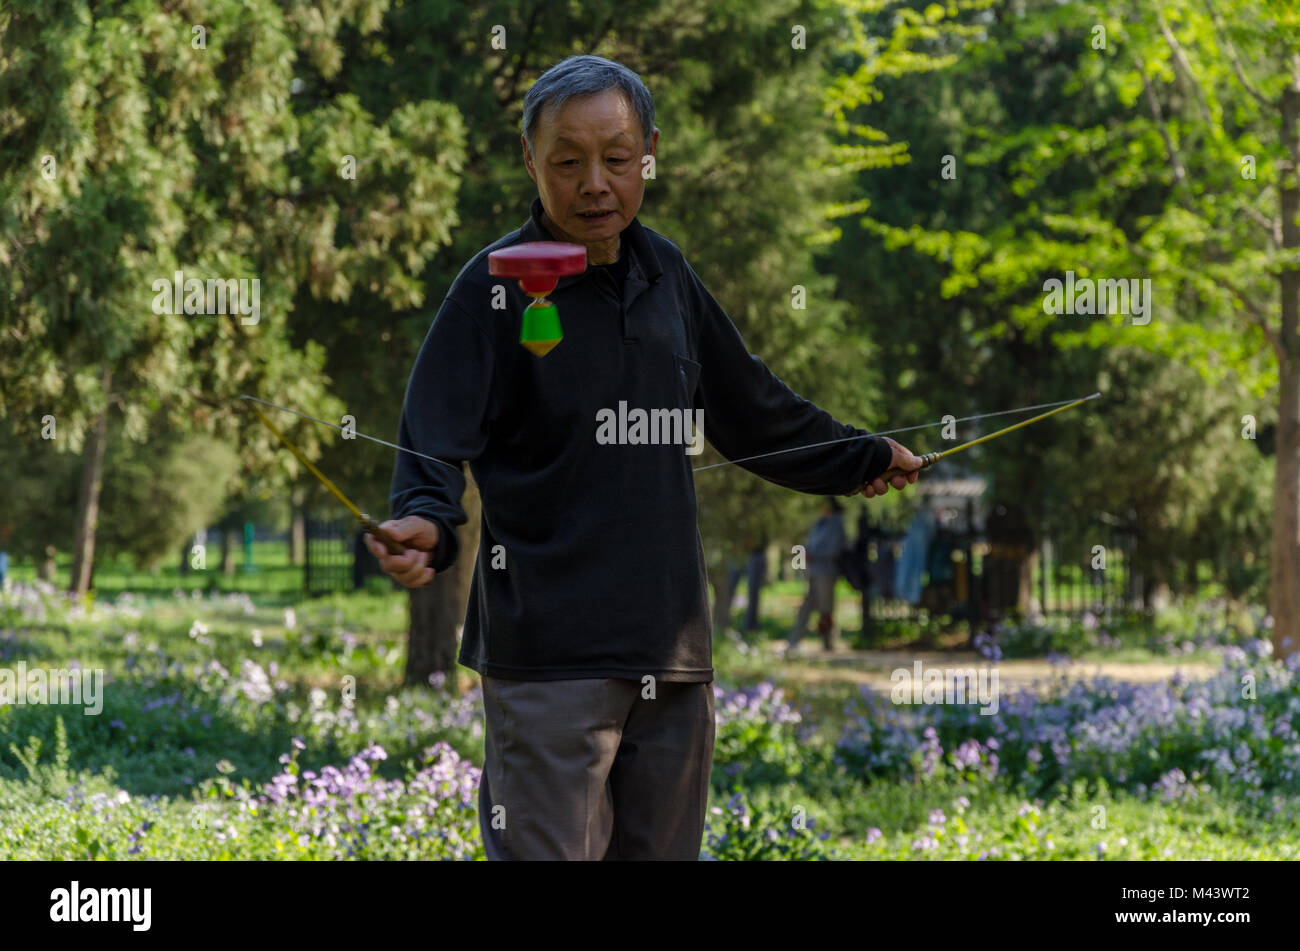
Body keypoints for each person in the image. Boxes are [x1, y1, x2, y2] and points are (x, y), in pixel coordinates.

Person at [365, 54, 923, 861]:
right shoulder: (493, 287)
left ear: (649, 153)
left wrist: (860, 456)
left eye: (618, 160)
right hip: (548, 658)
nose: (596, 182)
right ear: (531, 159)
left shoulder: (668, 276)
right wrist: (426, 519)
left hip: (671, 652)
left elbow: (754, 410)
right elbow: (432, 435)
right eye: (568, 161)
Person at [788, 498, 846, 653]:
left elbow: (835, 548)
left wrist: (815, 555)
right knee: (807, 606)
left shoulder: (835, 523)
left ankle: (828, 643)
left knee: (825, 609)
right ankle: (794, 641)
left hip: (826, 572)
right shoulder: (820, 522)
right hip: (814, 571)